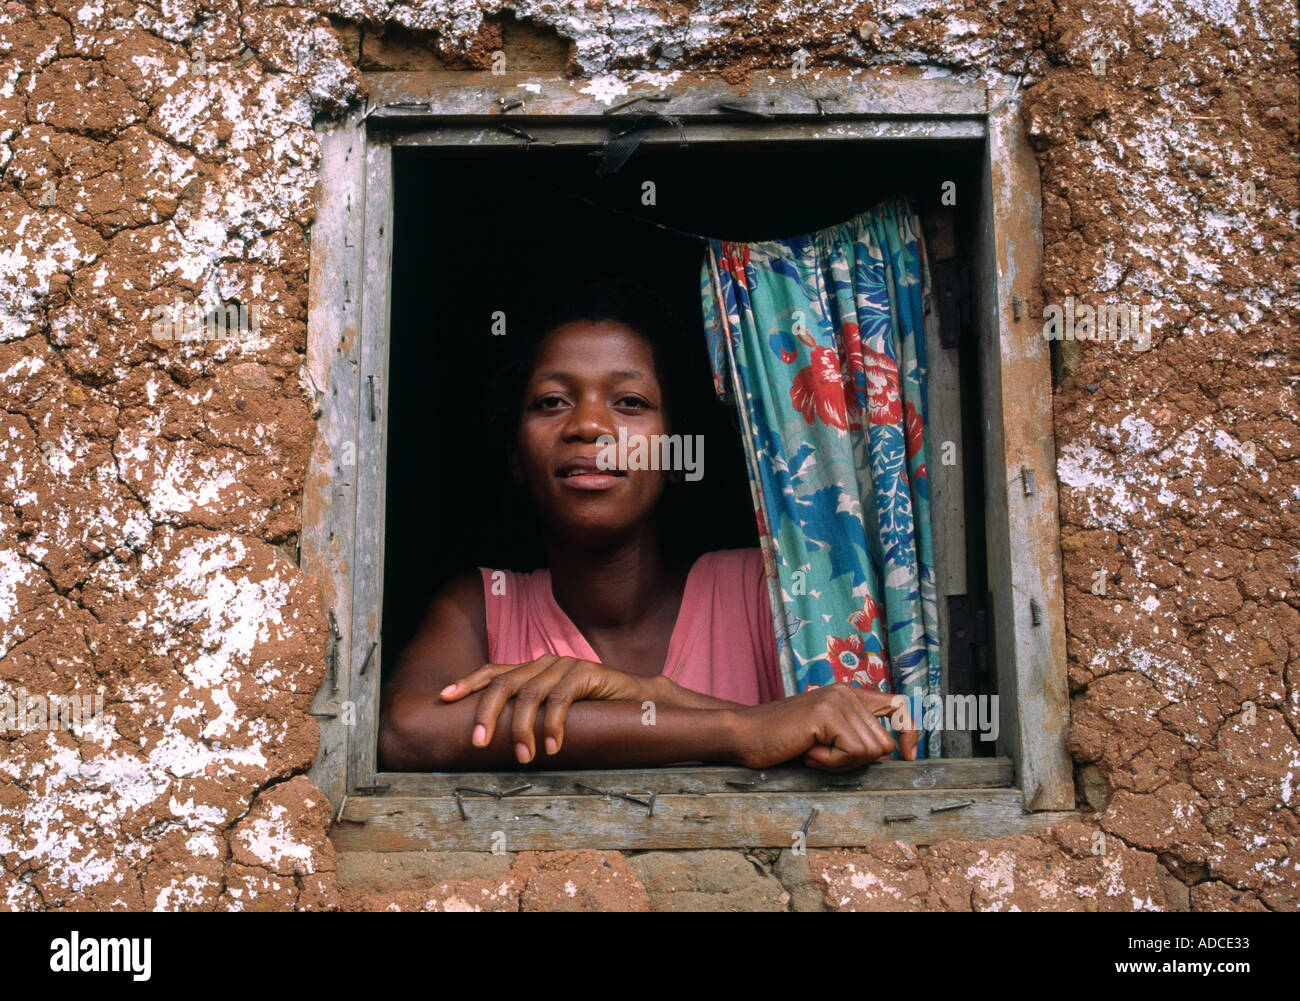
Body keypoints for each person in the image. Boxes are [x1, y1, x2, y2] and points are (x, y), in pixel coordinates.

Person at [378, 281, 916, 772]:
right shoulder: (484, 605)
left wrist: (635, 691)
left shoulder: (769, 588)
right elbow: (412, 731)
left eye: (630, 403)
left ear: (675, 449)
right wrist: (739, 727)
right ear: (516, 455)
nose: (588, 426)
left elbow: (854, 733)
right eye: (551, 402)